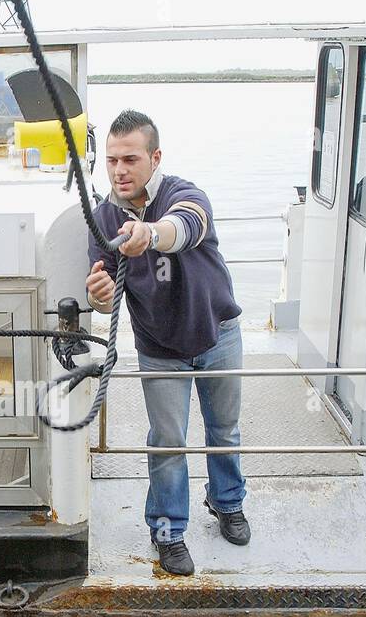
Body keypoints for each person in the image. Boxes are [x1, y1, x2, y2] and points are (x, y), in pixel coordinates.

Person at [85, 109, 248, 577]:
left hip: (218, 334)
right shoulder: (101, 219)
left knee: (224, 431)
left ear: (155, 158)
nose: (119, 170)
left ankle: (227, 503)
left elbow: (187, 226)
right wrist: (99, 297)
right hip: (159, 346)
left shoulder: (183, 193)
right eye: (112, 160)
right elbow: (102, 290)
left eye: (131, 159)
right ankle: (169, 532)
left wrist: (150, 235)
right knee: (168, 442)